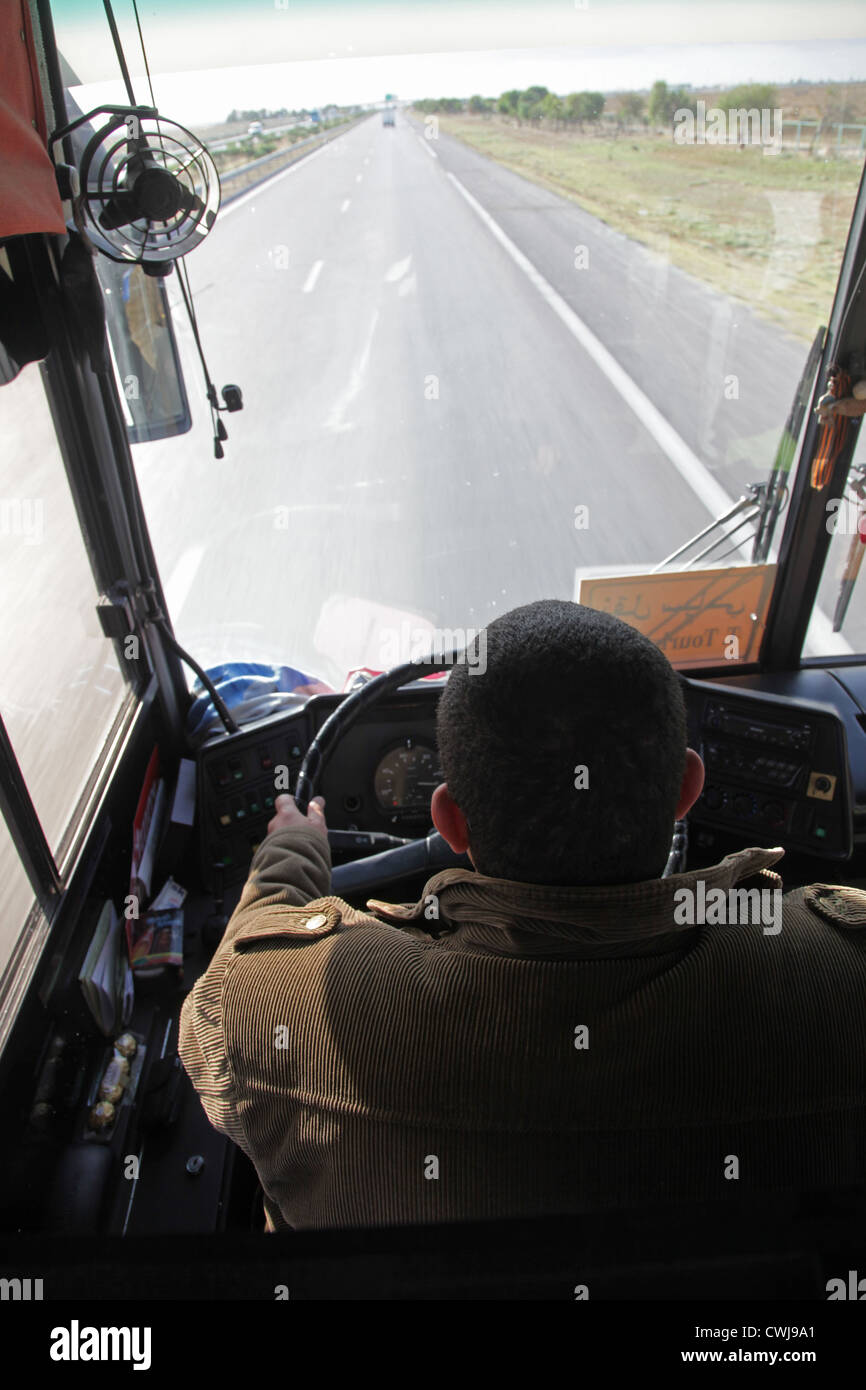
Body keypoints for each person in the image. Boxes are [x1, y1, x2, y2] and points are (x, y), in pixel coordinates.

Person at [179, 599, 866, 1232]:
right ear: (688, 788)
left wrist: (290, 856)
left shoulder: (267, 1019)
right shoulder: (845, 975)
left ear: (448, 820)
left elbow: (220, 994)